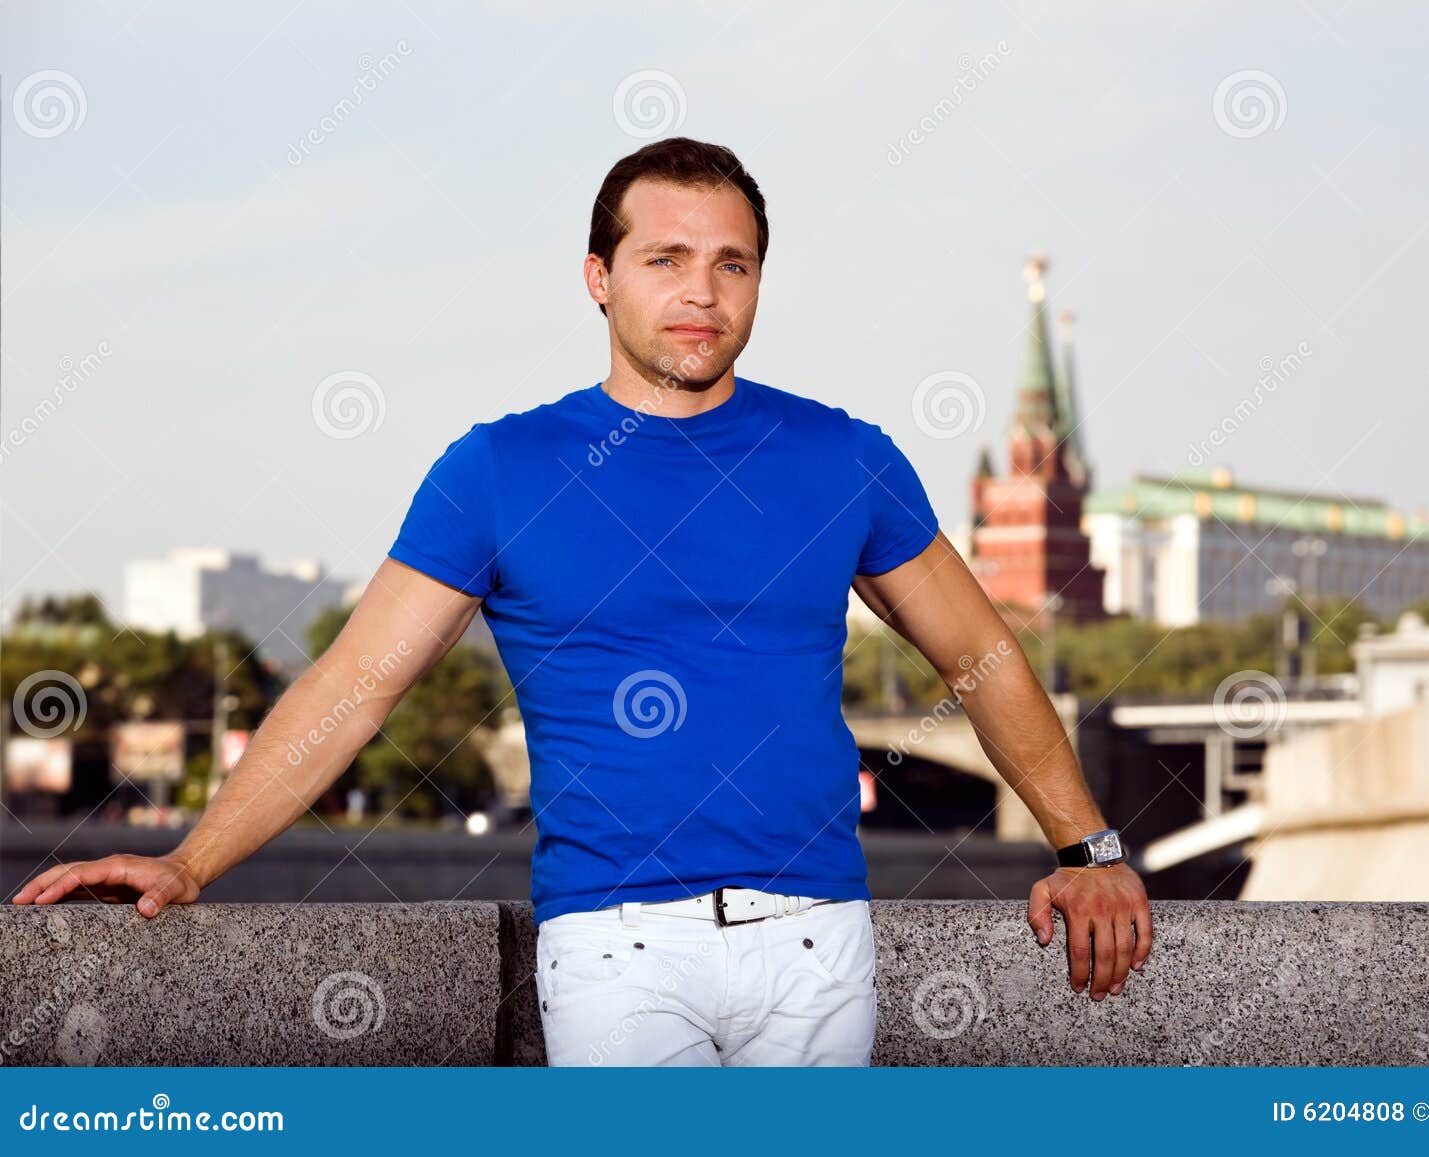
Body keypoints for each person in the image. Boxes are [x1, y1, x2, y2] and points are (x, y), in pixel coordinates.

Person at [12, 136, 1153, 1066]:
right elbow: (358, 684)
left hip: (819, 943)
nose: (700, 294)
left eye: (732, 263)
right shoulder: (499, 468)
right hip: (616, 947)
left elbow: (980, 654)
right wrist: (192, 860)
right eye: (664, 259)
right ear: (599, 278)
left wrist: (1087, 843)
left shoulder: (843, 456)